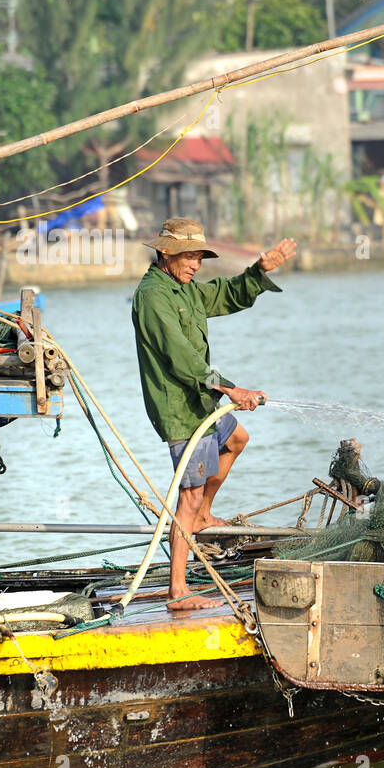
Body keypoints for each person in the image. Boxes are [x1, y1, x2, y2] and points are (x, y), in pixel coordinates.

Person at [131, 217, 295, 610]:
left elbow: (225, 294)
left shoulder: (184, 289)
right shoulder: (154, 296)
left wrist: (259, 272)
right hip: (180, 408)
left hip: (201, 401)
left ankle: (204, 516)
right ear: (165, 253)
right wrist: (231, 389)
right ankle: (178, 591)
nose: (195, 264)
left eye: (199, 257)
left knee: (237, 439)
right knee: (186, 496)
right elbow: (182, 358)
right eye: (188, 256)